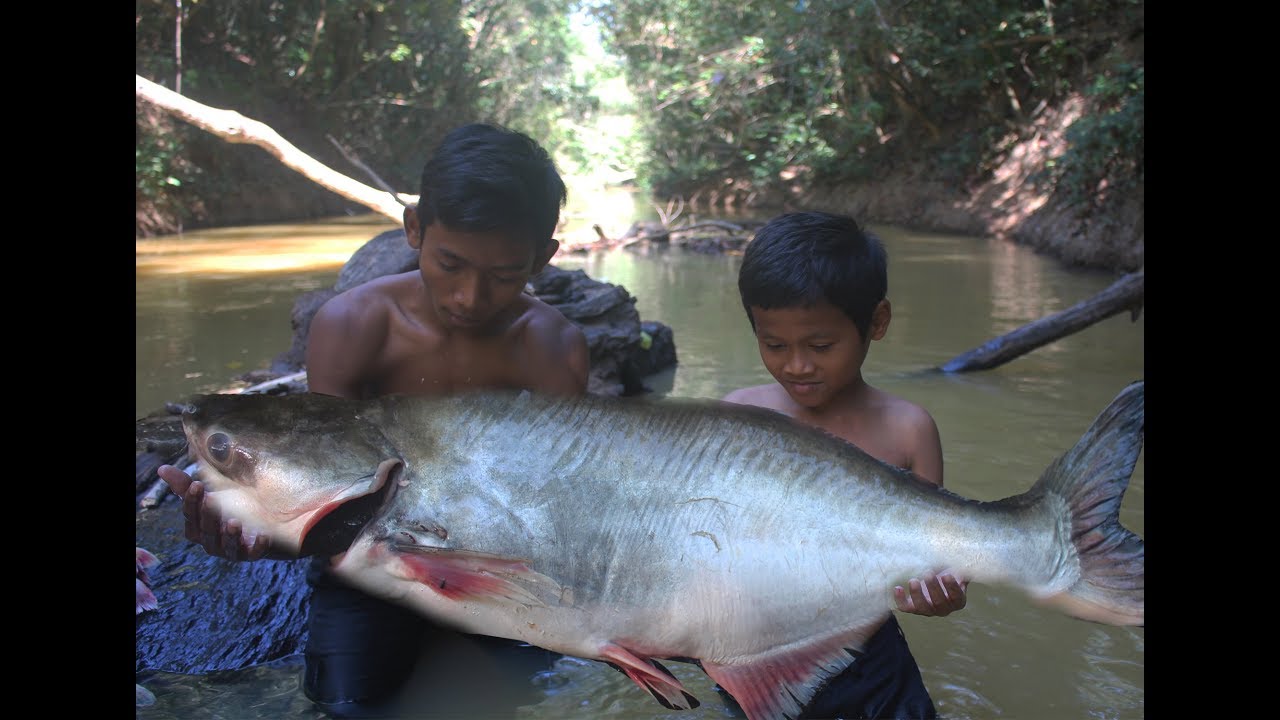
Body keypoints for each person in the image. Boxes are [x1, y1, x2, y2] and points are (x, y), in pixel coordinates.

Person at [159, 122, 590, 717]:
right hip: (364, 571)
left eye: (504, 276)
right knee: (347, 708)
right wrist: (259, 528)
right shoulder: (354, 325)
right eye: (450, 263)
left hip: (496, 570)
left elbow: (549, 503)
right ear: (414, 230)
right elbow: (327, 481)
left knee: (517, 700)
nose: (469, 296)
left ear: (544, 257)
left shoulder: (553, 349)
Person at [720, 210, 967, 720]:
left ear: (875, 323)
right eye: (774, 345)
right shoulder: (740, 415)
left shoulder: (907, 429)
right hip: (754, 660)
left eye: (820, 346)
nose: (797, 365)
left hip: (870, 668)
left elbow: (931, 559)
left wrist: (940, 593)